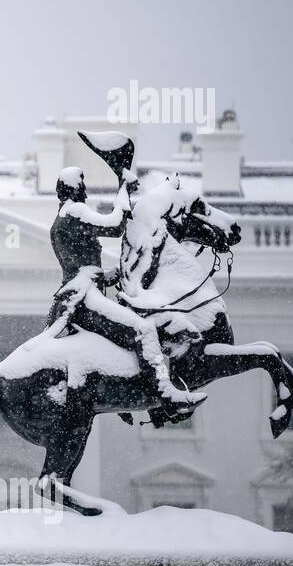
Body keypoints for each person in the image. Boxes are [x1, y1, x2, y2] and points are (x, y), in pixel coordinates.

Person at [46, 165, 205, 419]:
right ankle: (166, 394)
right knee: (143, 330)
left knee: (124, 334)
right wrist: (123, 187)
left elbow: (81, 268)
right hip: (85, 298)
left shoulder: (60, 220)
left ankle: (124, 394)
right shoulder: (74, 212)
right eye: (82, 186)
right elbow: (116, 226)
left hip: (79, 293)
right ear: (76, 189)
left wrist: (111, 275)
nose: (85, 192)